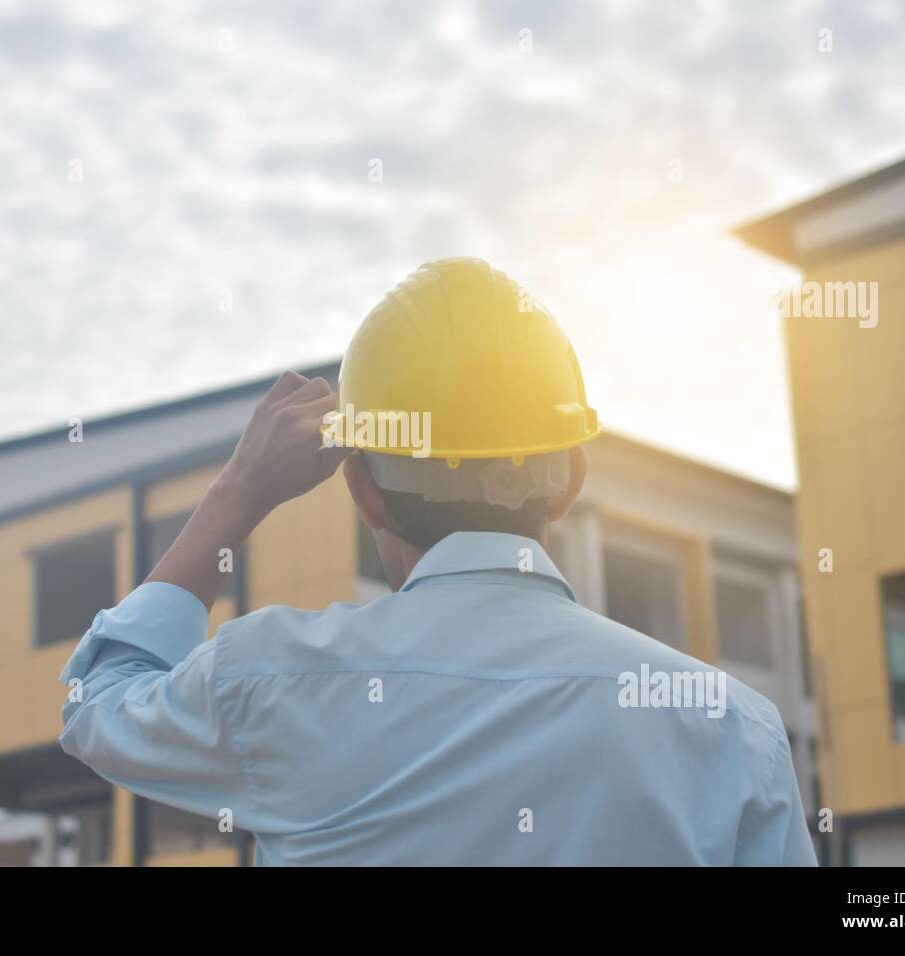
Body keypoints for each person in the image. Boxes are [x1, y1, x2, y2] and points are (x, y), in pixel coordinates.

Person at [59, 257, 817, 865]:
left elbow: (97, 703)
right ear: (568, 484)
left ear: (362, 489)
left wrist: (238, 490)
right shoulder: (731, 729)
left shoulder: (273, 681)